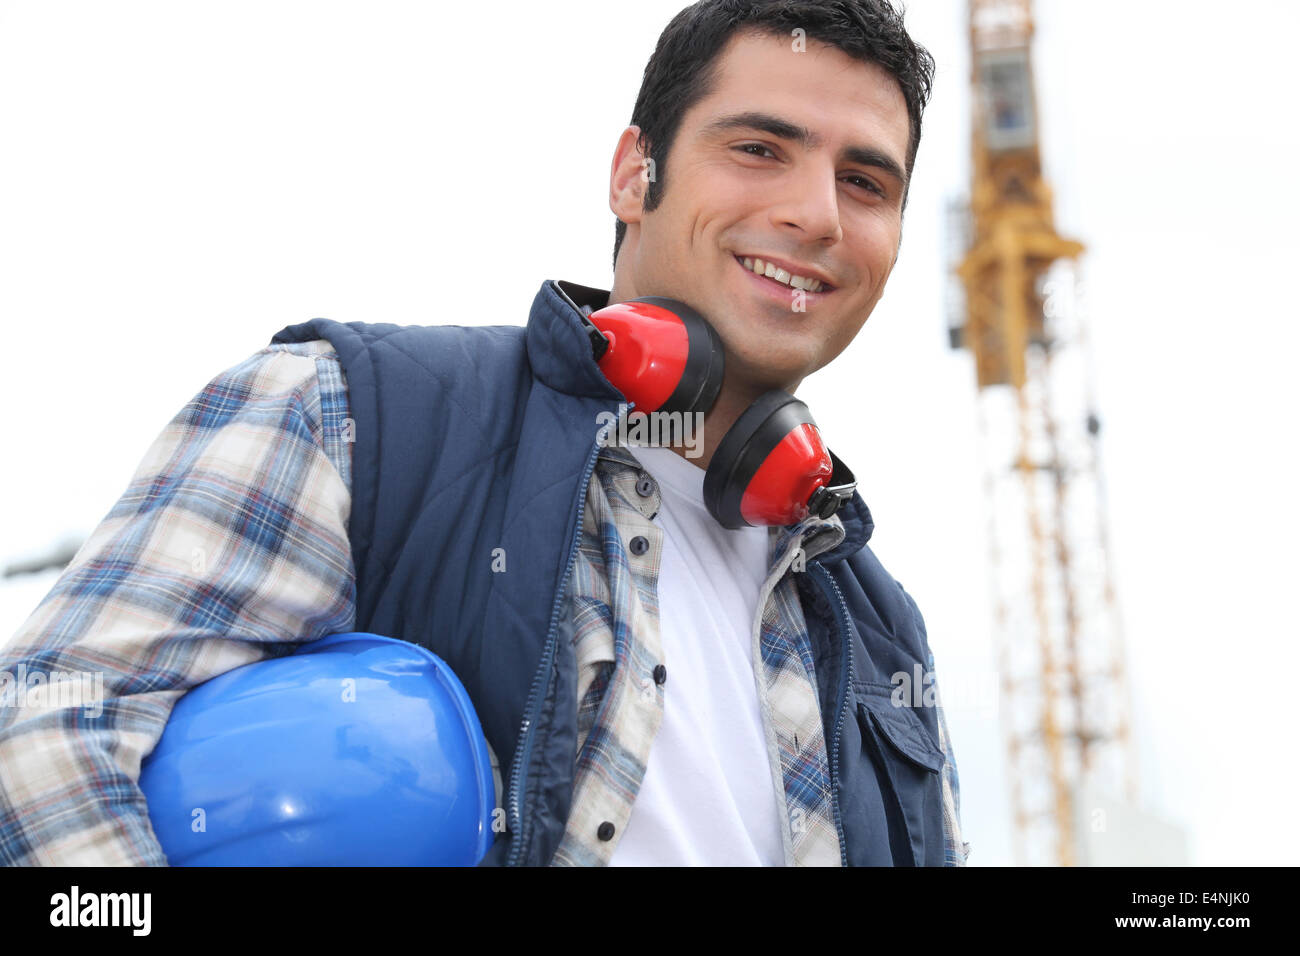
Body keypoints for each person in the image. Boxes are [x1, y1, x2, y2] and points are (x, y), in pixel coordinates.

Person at [0, 0, 968, 867]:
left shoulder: (880, 629)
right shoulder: (355, 417)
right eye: (759, 148)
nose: (814, 214)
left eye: (865, 183)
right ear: (634, 174)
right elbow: (45, 730)